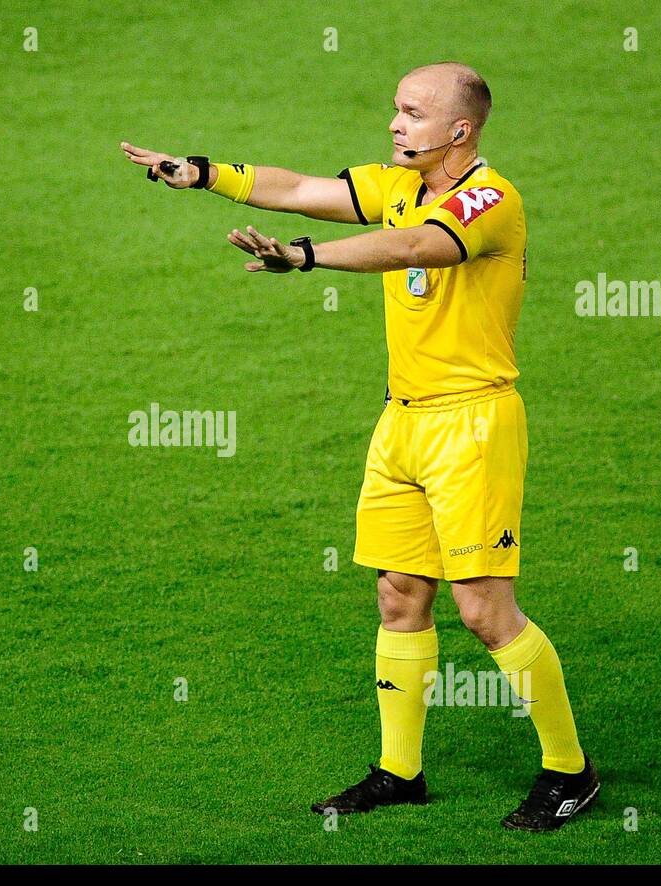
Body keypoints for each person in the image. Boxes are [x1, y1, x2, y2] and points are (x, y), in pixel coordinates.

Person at [120, 62, 598, 831]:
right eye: (396, 110)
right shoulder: (396, 182)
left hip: (471, 426)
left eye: (411, 113)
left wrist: (304, 258)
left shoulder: (489, 200)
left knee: (483, 611)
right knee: (399, 596)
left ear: (459, 130)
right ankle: (400, 772)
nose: (395, 124)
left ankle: (571, 770)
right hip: (401, 422)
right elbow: (302, 188)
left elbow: (413, 248)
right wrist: (202, 173)